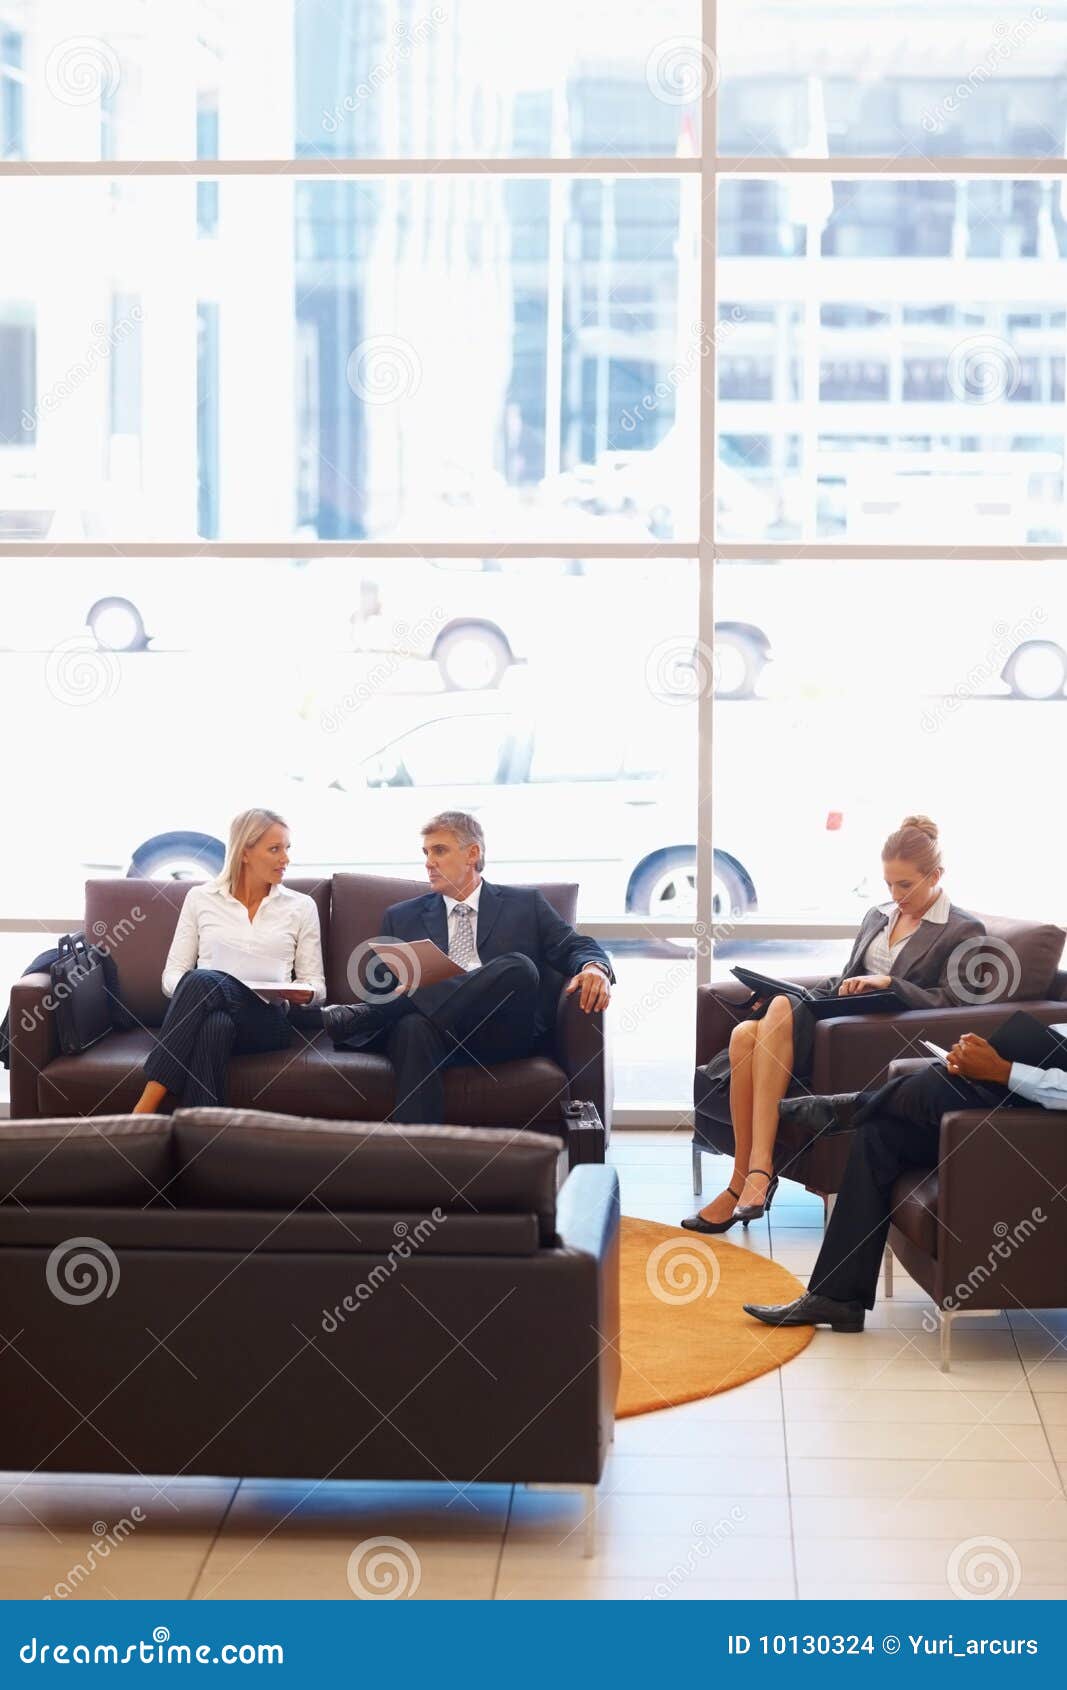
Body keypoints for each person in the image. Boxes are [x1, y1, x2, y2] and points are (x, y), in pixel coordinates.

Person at [683, 815, 983, 1234]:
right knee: (744, 1032)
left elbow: (952, 1002)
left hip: (864, 1039)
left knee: (768, 1020)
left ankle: (754, 1174)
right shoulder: (878, 916)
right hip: (837, 1018)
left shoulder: (963, 930)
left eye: (906, 885)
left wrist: (890, 982)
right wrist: (797, 991)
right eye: (889, 884)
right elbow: (845, 977)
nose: (896, 896)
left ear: (936, 875)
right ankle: (745, 1177)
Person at [743, 1024, 1067, 1332]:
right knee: (880, 1132)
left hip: (1042, 1139)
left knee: (935, 1087)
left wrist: (1003, 1070)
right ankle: (836, 1299)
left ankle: (849, 1108)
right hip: (1018, 1104)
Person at [310, 810, 613, 1124]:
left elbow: (577, 945)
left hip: (500, 1033)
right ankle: (417, 1157)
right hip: (435, 1033)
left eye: (439, 850)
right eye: (426, 853)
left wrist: (594, 968)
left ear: (472, 854)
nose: (429, 862)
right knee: (411, 1025)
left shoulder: (526, 904)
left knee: (519, 968)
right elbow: (383, 990)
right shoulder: (401, 917)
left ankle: (361, 1017)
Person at [131, 808, 325, 1113]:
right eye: (274, 849)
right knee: (214, 1025)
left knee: (202, 981)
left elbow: (317, 984)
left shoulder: (301, 906)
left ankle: (144, 1107)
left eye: (287, 849)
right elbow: (173, 976)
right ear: (244, 852)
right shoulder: (200, 898)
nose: (285, 859)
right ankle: (203, 1138)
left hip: (267, 1021)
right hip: (215, 1014)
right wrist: (200, 991)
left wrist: (308, 993)